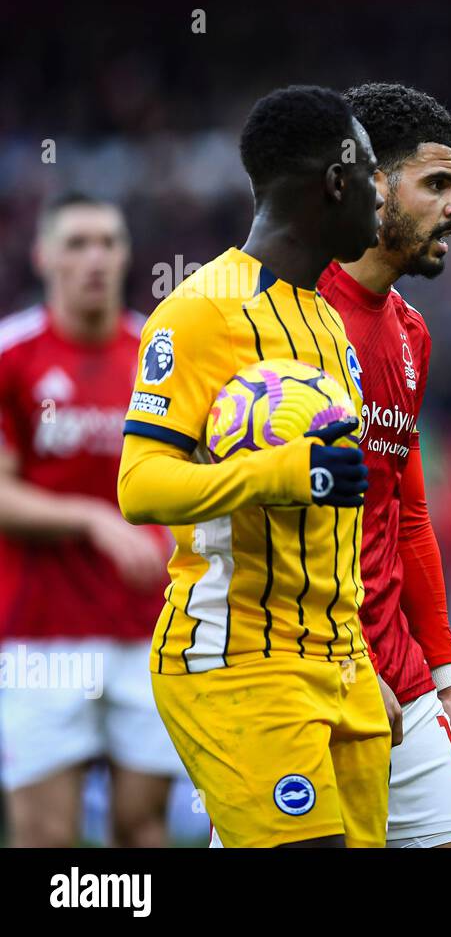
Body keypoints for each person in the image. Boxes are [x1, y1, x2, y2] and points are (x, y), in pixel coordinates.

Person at [116, 85, 393, 848]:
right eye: (372, 172)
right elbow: (139, 487)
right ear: (336, 181)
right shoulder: (200, 311)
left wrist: (361, 656)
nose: (383, 192)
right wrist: (281, 474)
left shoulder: (331, 326)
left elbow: (334, 514)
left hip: (340, 661)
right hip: (235, 652)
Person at [316, 82, 451, 848]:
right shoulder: (289, 313)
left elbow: (406, 515)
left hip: (403, 678)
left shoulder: (411, 334)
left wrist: (445, 678)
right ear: (374, 185)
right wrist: (347, 662)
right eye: (438, 184)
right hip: (305, 667)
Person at [0, 192, 182, 846]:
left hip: (152, 632)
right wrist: (93, 520)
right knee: (46, 836)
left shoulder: (163, 356)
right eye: (77, 243)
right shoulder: (11, 356)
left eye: (109, 242)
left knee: (146, 832)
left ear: (127, 254)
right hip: (42, 638)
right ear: (43, 255)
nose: (95, 258)